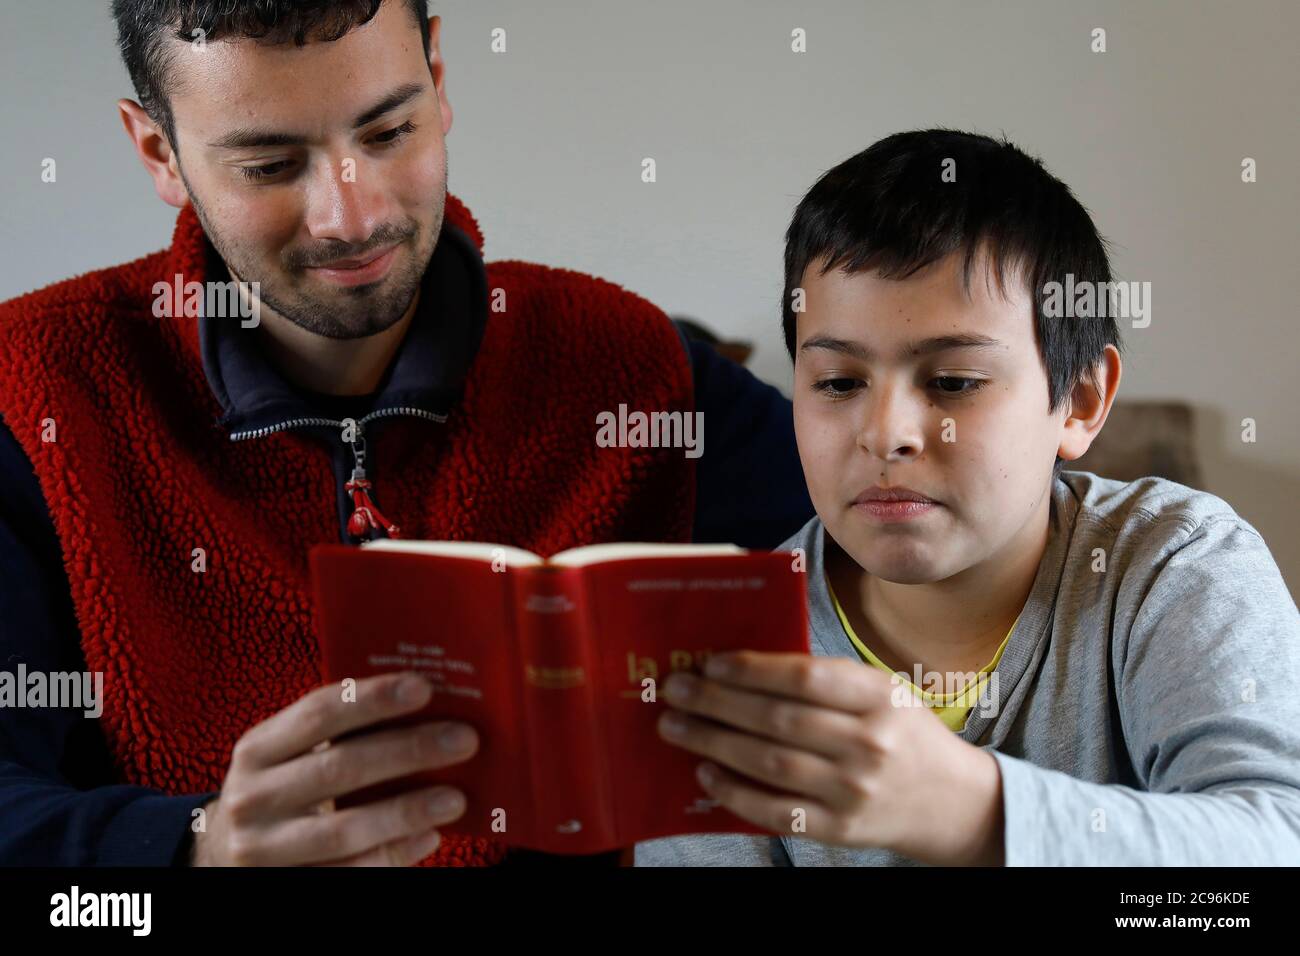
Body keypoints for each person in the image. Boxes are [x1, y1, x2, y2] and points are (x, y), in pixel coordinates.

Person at [0, 0, 812, 866]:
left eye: (388, 132)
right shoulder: (35, 389)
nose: (350, 218)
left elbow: (925, 615)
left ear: (439, 79)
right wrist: (192, 850)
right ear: (158, 151)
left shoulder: (639, 367)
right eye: (270, 163)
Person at [637, 129, 1300, 866]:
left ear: (1079, 402)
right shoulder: (732, 645)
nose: (886, 434)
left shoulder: (1175, 565)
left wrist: (971, 810)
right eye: (838, 384)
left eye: (953, 382)